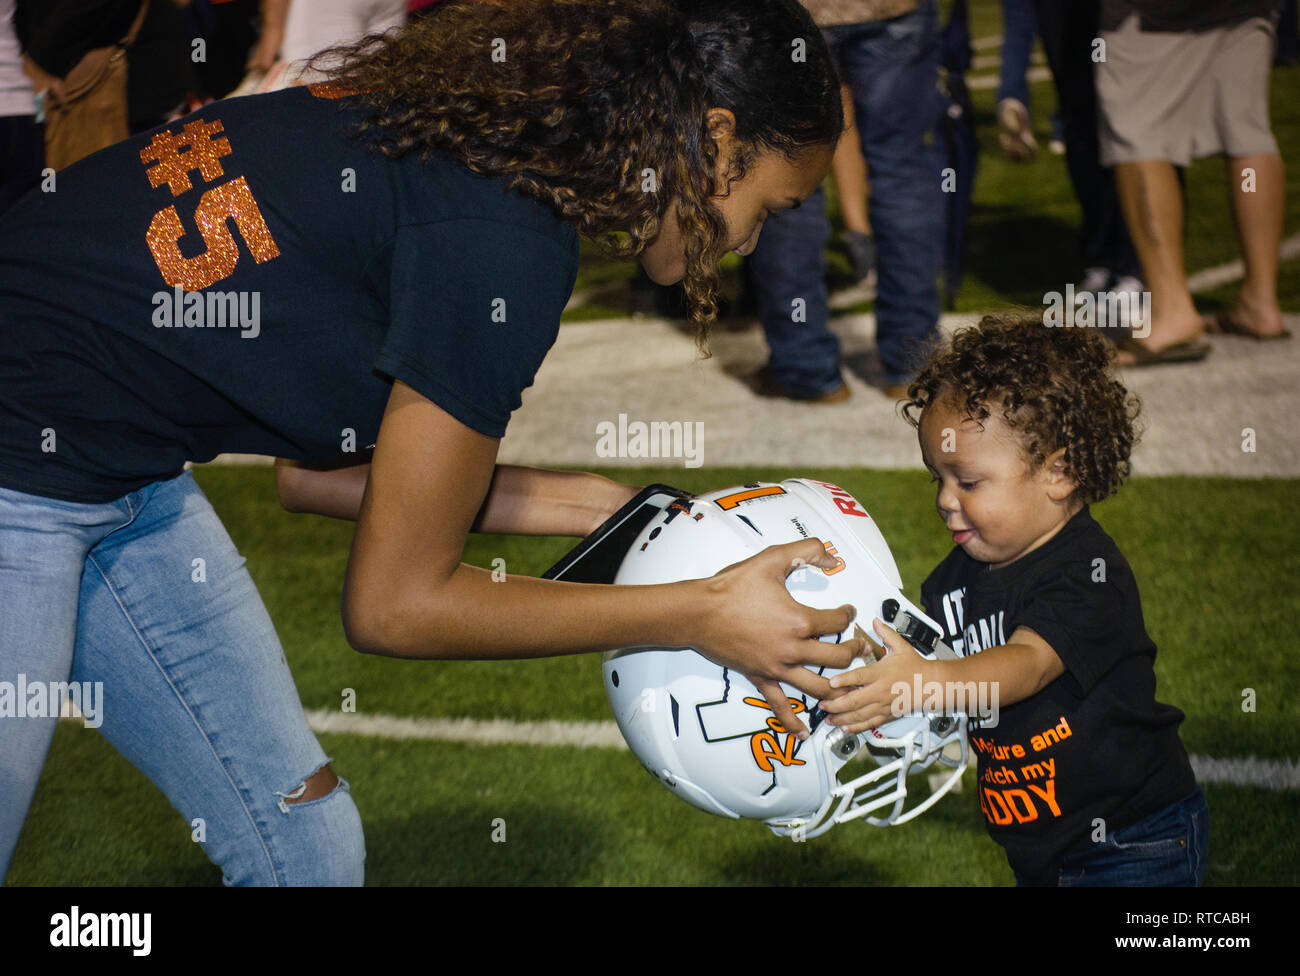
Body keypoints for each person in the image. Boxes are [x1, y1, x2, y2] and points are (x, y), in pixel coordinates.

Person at [0, 0, 867, 884]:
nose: (754, 240)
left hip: (112, 467)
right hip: (19, 463)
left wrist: (618, 515)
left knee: (302, 850)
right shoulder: (504, 239)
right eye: (771, 206)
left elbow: (318, 475)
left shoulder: (481, 149)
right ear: (716, 140)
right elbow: (395, 606)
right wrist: (697, 612)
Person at [819, 316, 1206, 885]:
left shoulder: (1086, 573)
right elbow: (942, 676)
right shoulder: (951, 581)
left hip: (1133, 839)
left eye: (968, 482)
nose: (946, 500)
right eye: (937, 479)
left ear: (1061, 471)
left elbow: (1026, 665)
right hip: (1038, 843)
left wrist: (922, 684)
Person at [1097, 1, 1288, 362]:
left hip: (1155, 11)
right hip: (1250, 8)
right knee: (1246, 130)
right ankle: (1260, 303)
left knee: (1137, 133)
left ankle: (1173, 311)